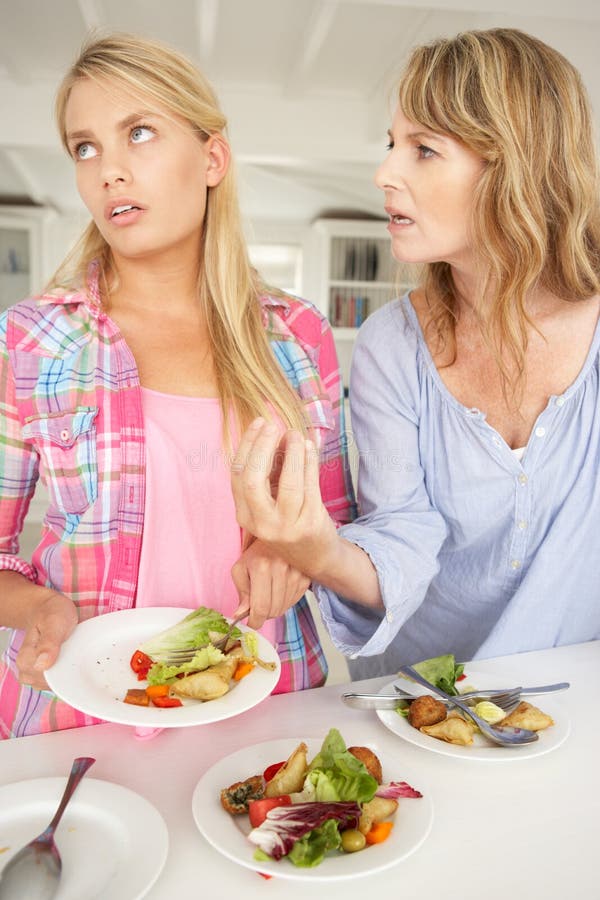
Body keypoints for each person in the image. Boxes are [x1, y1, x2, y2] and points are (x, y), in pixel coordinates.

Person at [0, 33, 355, 737]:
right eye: (86, 147)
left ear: (212, 158)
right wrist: (37, 610)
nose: (109, 171)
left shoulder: (298, 335)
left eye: (139, 134)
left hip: (267, 710)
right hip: (81, 718)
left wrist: (287, 552)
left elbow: (338, 526)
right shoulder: (30, 340)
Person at [231, 28, 600, 679]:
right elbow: (403, 536)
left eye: (424, 149)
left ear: (516, 167)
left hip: (575, 715)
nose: (384, 174)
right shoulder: (390, 345)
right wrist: (315, 548)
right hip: (416, 706)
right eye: (392, 144)